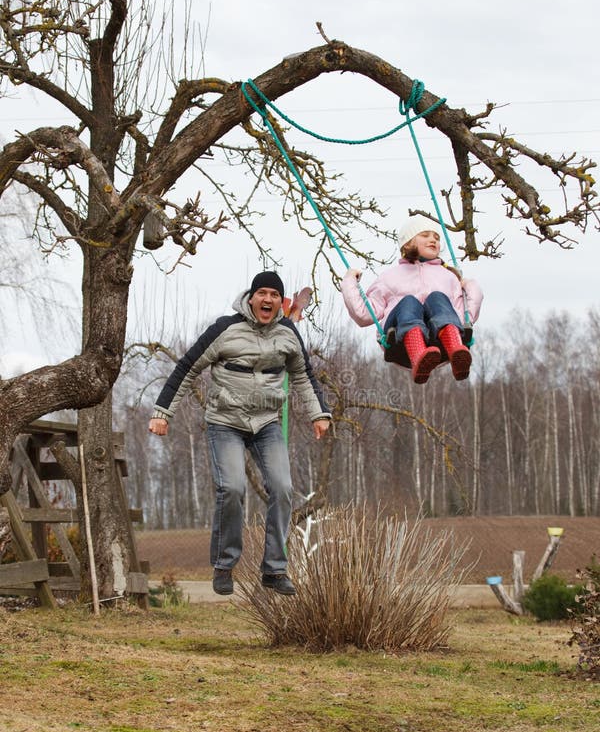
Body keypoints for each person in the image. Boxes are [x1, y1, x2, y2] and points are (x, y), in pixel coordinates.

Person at [148, 271, 331, 597]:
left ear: (280, 302)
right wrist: (163, 413)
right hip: (225, 422)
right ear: (251, 297)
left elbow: (303, 375)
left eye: (275, 295)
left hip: (266, 424)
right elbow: (188, 367)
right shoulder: (225, 328)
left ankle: (275, 569)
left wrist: (319, 414)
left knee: (283, 487)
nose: (268, 300)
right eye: (262, 293)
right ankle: (224, 564)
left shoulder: (288, 332)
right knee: (232, 487)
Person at [341, 214, 483, 384]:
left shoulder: (448, 277)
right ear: (407, 244)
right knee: (409, 302)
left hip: (439, 340)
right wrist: (350, 281)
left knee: (437, 298)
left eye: (436, 237)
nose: (433, 240)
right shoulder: (389, 277)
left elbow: (466, 313)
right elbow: (363, 314)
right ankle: (418, 354)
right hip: (400, 340)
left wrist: (469, 285)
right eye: (425, 235)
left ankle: (455, 349)